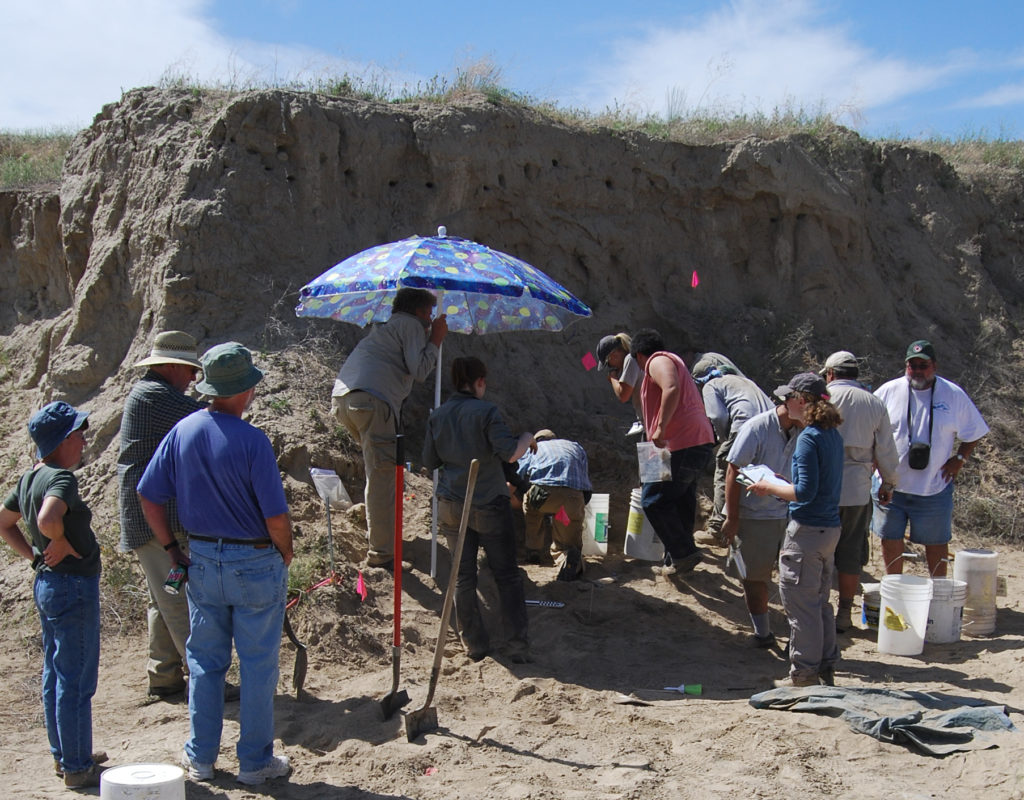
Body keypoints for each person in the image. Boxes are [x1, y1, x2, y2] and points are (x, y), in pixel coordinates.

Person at [138, 343, 294, 786]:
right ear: (245, 390)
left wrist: (171, 548)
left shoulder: (184, 430)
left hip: (203, 558)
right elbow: (276, 517)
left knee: (205, 663)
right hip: (255, 560)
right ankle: (254, 763)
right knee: (258, 664)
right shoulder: (253, 440)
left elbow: (149, 496)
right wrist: (284, 550)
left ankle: (201, 759)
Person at [0, 402, 106, 788]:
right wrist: (57, 541)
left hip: (48, 585)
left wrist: (36, 557)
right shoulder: (61, 478)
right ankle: (78, 766)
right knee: (76, 681)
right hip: (72, 586)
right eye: (78, 434)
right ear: (62, 441)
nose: (83, 441)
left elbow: (3, 522)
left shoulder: (30, 477)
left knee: (55, 676)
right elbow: (47, 519)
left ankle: (66, 756)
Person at [117, 330, 213, 701]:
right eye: (190, 370)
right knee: (178, 601)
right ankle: (207, 679)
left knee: (164, 596)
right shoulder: (157, 397)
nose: (193, 379)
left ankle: (164, 676)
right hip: (157, 523)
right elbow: (211, 418)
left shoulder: (149, 394)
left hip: (148, 520)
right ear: (172, 366)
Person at [423, 357, 536, 663]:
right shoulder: (487, 412)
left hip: (450, 505)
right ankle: (516, 645)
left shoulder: (438, 416)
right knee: (507, 576)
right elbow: (510, 454)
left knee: (463, 577)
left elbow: (430, 462)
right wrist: (527, 438)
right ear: (480, 381)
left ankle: (475, 644)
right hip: (487, 502)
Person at [331, 287, 448, 568]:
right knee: (383, 477)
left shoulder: (387, 327)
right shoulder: (411, 325)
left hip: (345, 400)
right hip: (374, 400)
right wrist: (436, 340)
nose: (430, 320)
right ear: (419, 311)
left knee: (377, 470)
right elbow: (419, 371)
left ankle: (379, 534)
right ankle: (382, 553)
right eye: (429, 314)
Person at [751, 373, 843, 688]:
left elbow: (804, 492)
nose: (783, 402)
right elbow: (814, 486)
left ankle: (804, 674)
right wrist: (781, 484)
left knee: (801, 606)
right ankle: (826, 667)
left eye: (787, 397)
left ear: (801, 400)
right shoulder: (831, 434)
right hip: (829, 529)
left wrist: (770, 486)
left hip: (806, 530)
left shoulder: (808, 437)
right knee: (818, 602)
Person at [872, 340, 988, 577]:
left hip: (933, 486)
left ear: (934, 366)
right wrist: (873, 460)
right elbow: (870, 429)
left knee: (936, 542)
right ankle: (896, 586)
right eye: (911, 365)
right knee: (890, 537)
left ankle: (939, 593)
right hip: (891, 484)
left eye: (922, 365)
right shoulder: (888, 391)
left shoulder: (953, 394)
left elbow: (975, 431)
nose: (917, 370)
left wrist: (959, 458)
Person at [820, 350, 900, 631]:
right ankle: (844, 614)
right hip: (856, 489)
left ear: (830, 374)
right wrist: (889, 484)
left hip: (821, 487)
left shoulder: (822, 398)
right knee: (851, 552)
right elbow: (887, 451)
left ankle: (818, 611)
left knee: (817, 550)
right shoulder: (874, 402)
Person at [630, 329, 715, 573]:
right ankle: (677, 559)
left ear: (638, 356)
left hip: (678, 441)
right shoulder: (672, 362)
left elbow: (671, 388)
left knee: (653, 501)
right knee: (680, 499)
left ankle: (683, 553)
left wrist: (659, 428)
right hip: (693, 440)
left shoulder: (658, 360)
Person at [721, 399, 802, 647]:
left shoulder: (808, 430)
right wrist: (732, 517)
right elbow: (734, 470)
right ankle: (763, 634)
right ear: (791, 403)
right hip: (756, 515)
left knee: (799, 582)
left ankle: (797, 638)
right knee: (754, 578)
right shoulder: (757, 427)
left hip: (794, 514)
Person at [692, 358, 772, 542]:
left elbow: (717, 416)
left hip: (745, 428)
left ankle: (716, 528)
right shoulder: (745, 381)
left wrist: (722, 440)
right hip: (772, 431)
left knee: (724, 471)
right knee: (757, 478)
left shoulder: (711, 384)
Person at [515, 429, 593, 580]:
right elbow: (584, 477)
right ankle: (567, 558)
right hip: (571, 495)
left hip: (541, 493)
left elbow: (517, 474)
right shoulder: (574, 446)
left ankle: (533, 549)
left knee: (532, 511)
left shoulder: (532, 448)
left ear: (537, 441)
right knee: (566, 529)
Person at [596, 333, 644, 434]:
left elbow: (623, 396)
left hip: (652, 422)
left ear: (614, 355)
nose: (610, 366)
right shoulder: (637, 357)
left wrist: (613, 377)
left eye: (608, 363)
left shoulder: (630, 359)